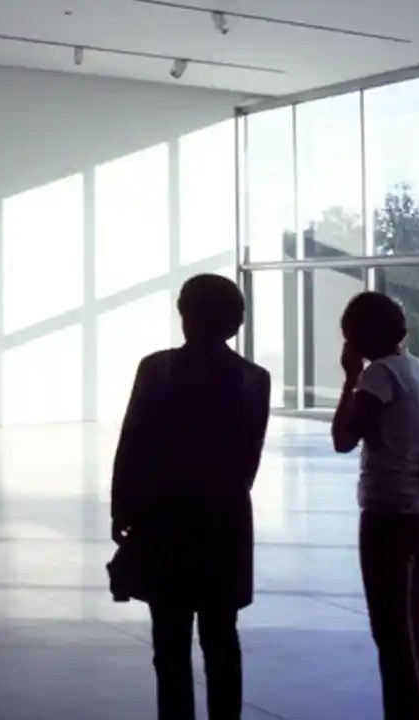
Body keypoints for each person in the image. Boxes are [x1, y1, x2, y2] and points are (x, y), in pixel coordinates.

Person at [111, 274, 271, 720]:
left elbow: (132, 444)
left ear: (184, 315)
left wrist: (122, 507)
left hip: (164, 520)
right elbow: (248, 461)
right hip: (225, 520)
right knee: (222, 637)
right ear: (237, 322)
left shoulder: (156, 368)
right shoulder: (254, 379)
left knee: (170, 640)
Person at [331, 292, 419, 720]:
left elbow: (344, 439)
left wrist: (348, 379)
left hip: (389, 514)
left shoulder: (378, 376)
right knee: (416, 626)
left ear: (359, 337)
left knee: (391, 635)